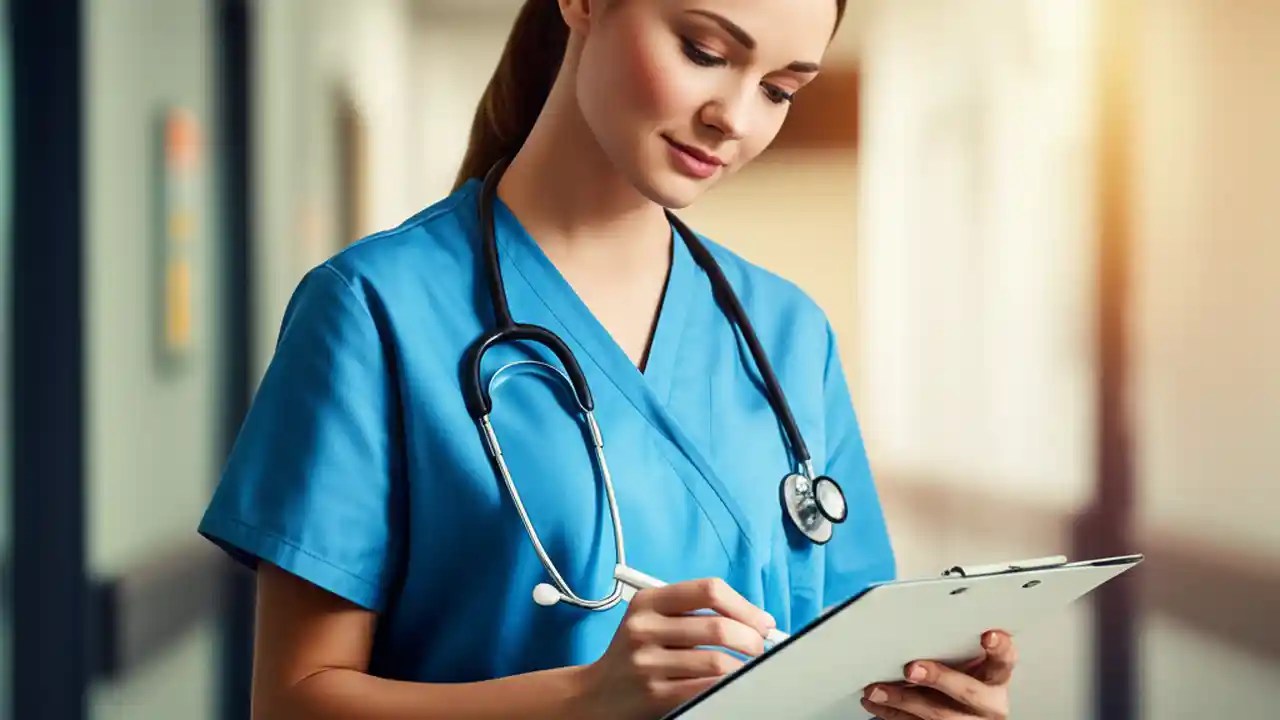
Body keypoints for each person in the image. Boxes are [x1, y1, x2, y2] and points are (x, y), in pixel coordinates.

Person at [197, 1, 1017, 718]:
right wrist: (584, 700)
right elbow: (294, 701)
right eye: (704, 51)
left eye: (779, 90)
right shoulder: (376, 308)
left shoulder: (788, 334)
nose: (734, 117)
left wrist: (918, 702)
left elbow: (841, 669)